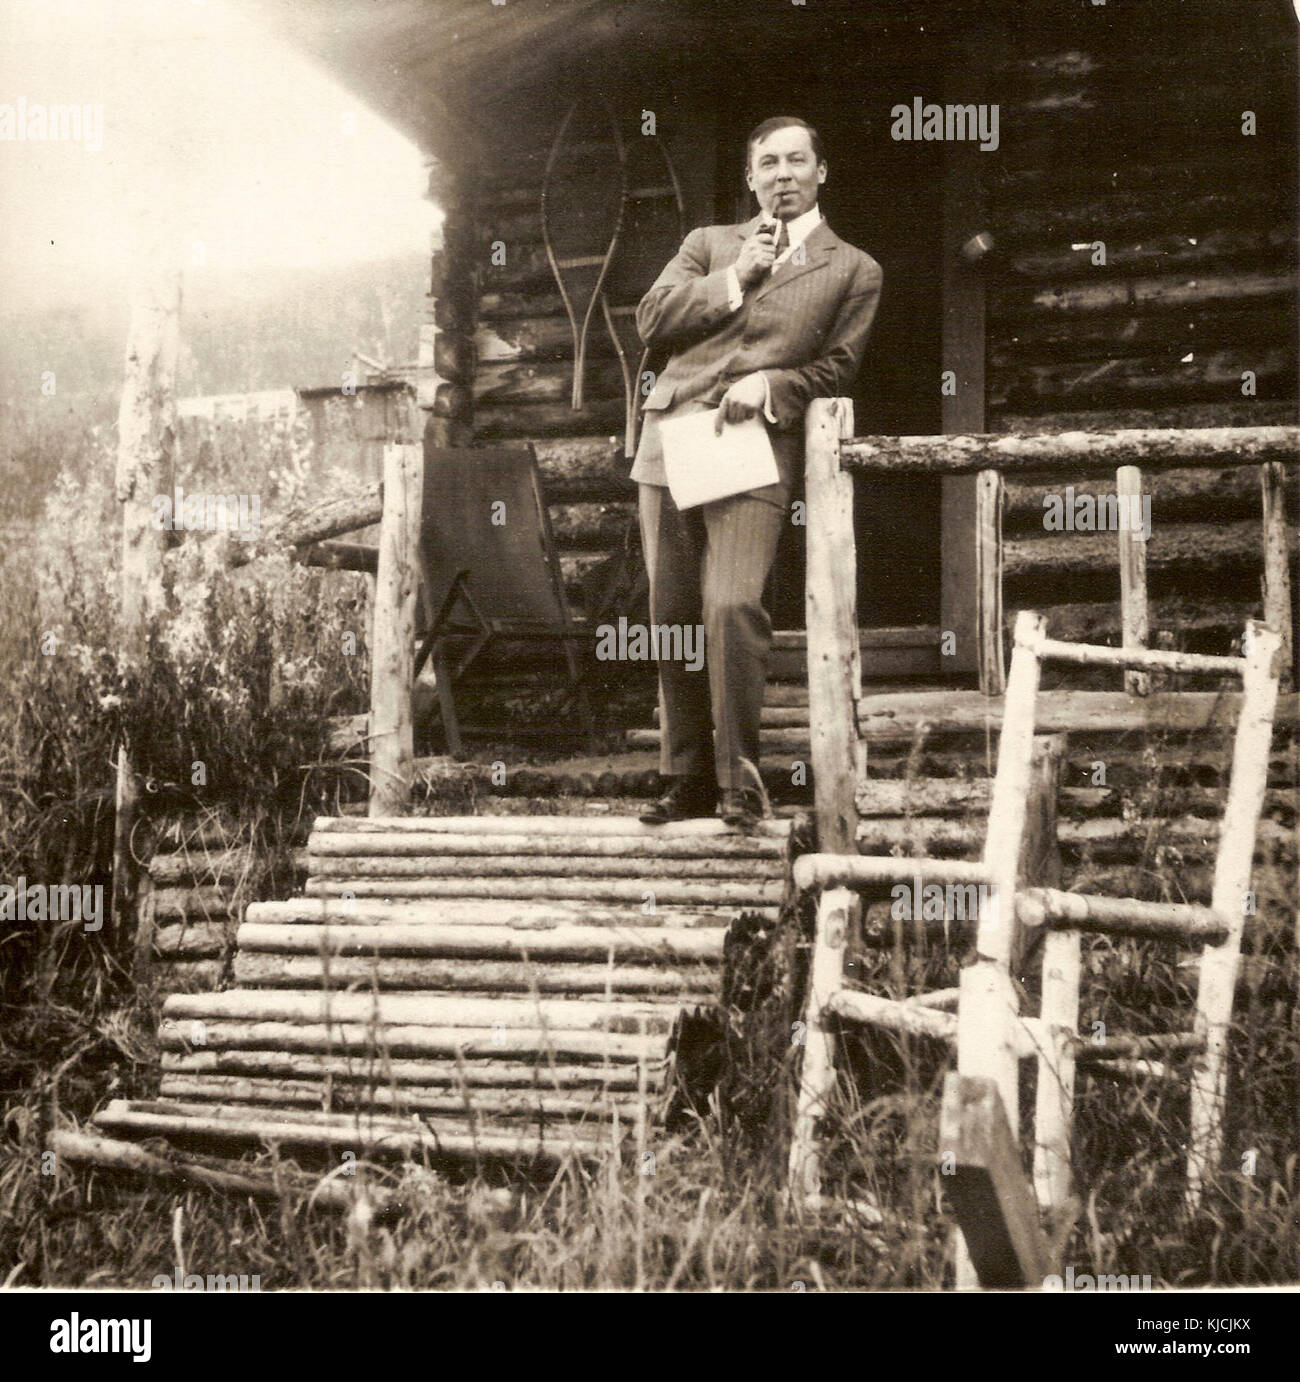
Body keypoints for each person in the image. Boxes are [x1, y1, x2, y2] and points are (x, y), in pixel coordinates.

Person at [631, 116, 882, 829]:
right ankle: (686, 778)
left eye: (797, 160)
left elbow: (838, 367)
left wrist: (772, 387)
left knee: (733, 607)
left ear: (821, 171)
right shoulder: (710, 244)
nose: (782, 174)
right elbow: (652, 320)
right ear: (750, 178)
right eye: (767, 162)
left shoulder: (855, 270)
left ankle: (739, 781)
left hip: (752, 446)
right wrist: (734, 278)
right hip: (671, 437)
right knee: (671, 616)